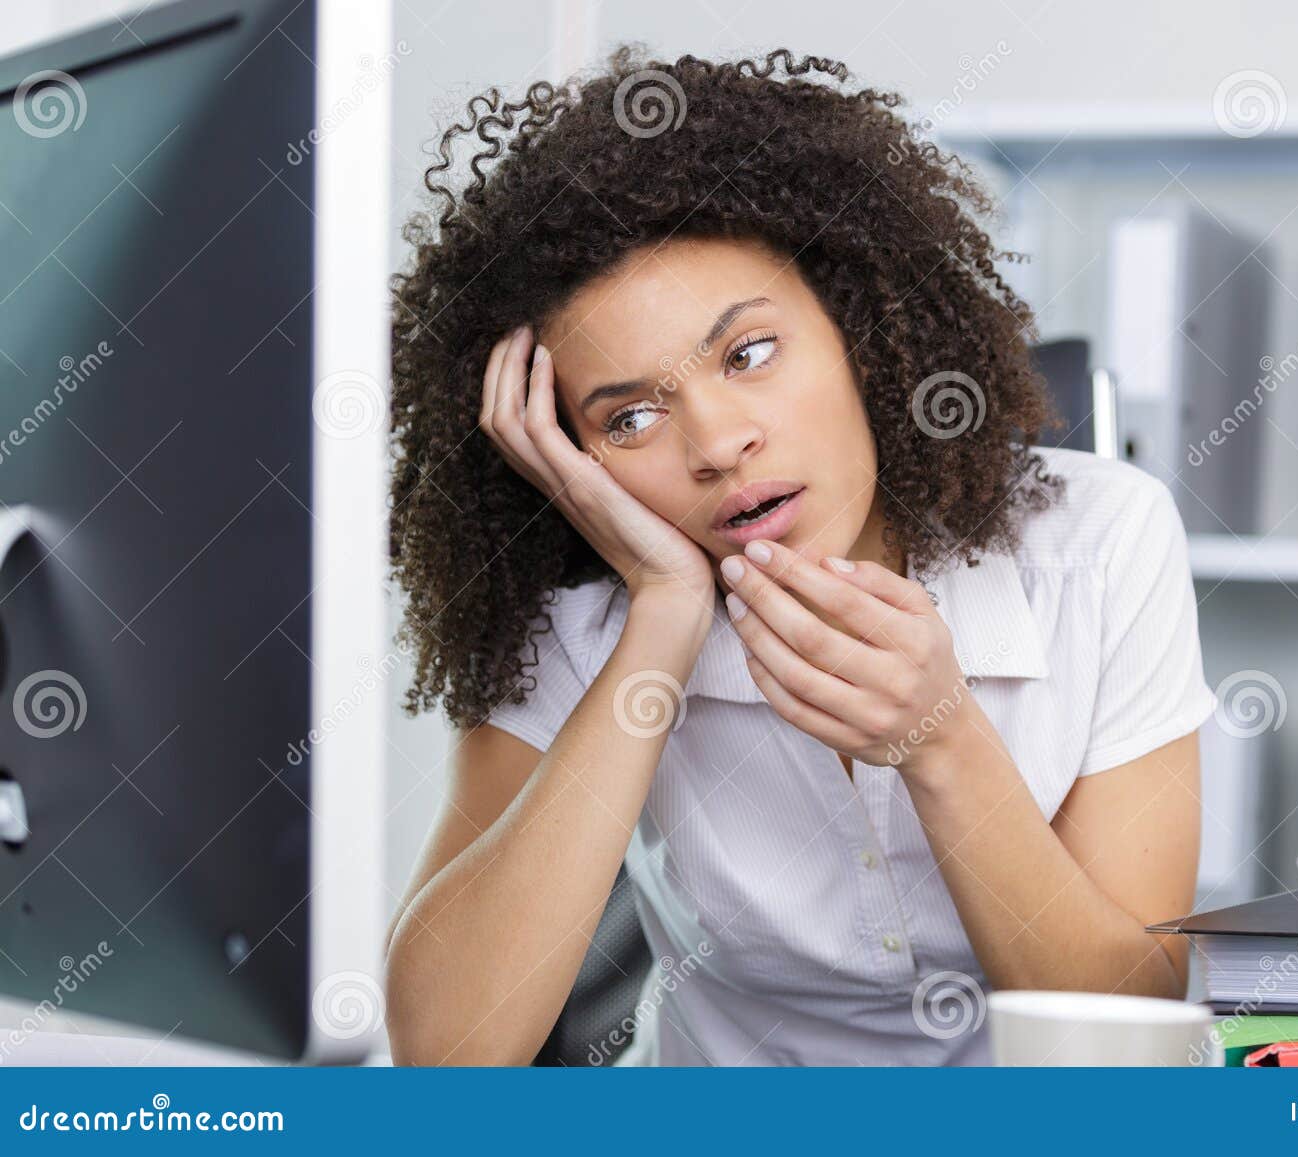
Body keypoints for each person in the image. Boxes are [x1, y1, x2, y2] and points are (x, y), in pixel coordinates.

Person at [382, 47, 1216, 1066]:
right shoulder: (580, 610)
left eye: (749, 354)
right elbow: (446, 1053)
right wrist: (660, 619)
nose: (717, 443)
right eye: (632, 415)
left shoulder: (1101, 539)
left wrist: (941, 741)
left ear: (860, 328)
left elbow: (1128, 1028)